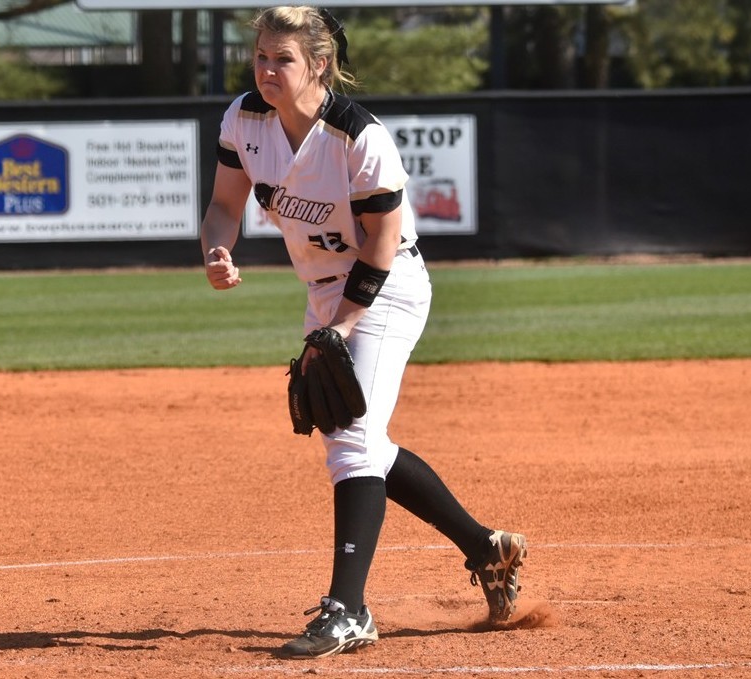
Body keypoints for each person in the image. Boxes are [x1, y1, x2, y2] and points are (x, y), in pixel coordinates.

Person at [200, 5, 527, 660]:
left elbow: (379, 245)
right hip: (325, 291)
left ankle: (347, 610)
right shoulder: (245, 120)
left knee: (348, 443)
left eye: (282, 59)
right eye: (261, 56)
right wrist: (216, 247)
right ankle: (485, 547)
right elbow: (224, 206)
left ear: (318, 64)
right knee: (364, 440)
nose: (267, 69)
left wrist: (345, 325)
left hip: (387, 287)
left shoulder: (358, 136)